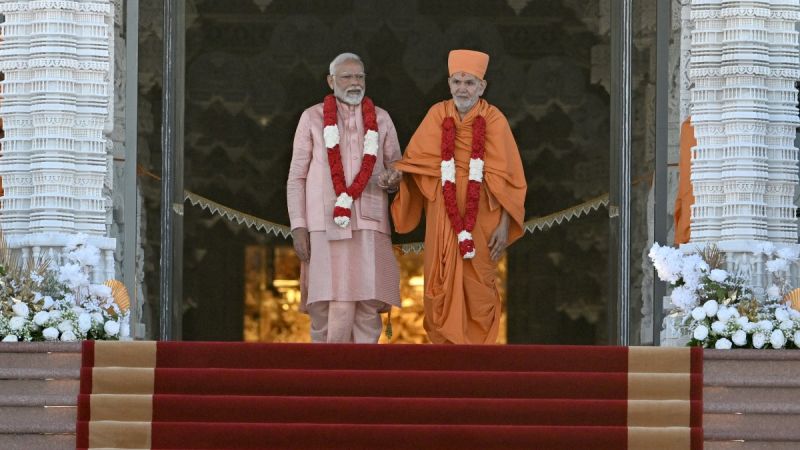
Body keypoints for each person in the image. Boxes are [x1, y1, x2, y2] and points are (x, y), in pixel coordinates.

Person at [391, 49, 527, 344]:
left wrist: (505, 224)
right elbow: (416, 161)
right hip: (443, 211)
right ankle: (445, 356)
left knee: (480, 288)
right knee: (438, 280)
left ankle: (478, 358)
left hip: (483, 217)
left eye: (469, 82)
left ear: (482, 86)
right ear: (449, 83)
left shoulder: (494, 119)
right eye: (457, 82)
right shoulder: (437, 114)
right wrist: (397, 175)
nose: (462, 89)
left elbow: (511, 179)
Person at [287, 52, 402, 343]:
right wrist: (298, 225)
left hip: (370, 221)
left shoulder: (382, 118)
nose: (355, 83)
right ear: (331, 81)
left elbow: (397, 167)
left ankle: (363, 379)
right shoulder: (311, 117)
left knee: (367, 304)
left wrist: (393, 179)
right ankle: (326, 378)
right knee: (327, 303)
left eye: (360, 77)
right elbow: (296, 177)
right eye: (347, 77)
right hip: (324, 222)